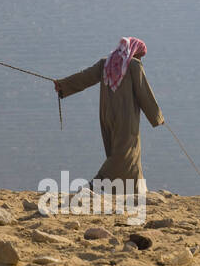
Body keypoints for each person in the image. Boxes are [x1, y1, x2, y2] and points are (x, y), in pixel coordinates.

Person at [54, 37, 164, 190]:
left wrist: (63, 85)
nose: (139, 58)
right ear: (135, 51)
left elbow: (85, 77)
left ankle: (136, 188)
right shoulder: (133, 65)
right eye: (139, 55)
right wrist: (157, 116)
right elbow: (143, 92)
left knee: (128, 153)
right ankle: (96, 183)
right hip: (125, 117)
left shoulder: (106, 63)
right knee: (124, 153)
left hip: (106, 115)